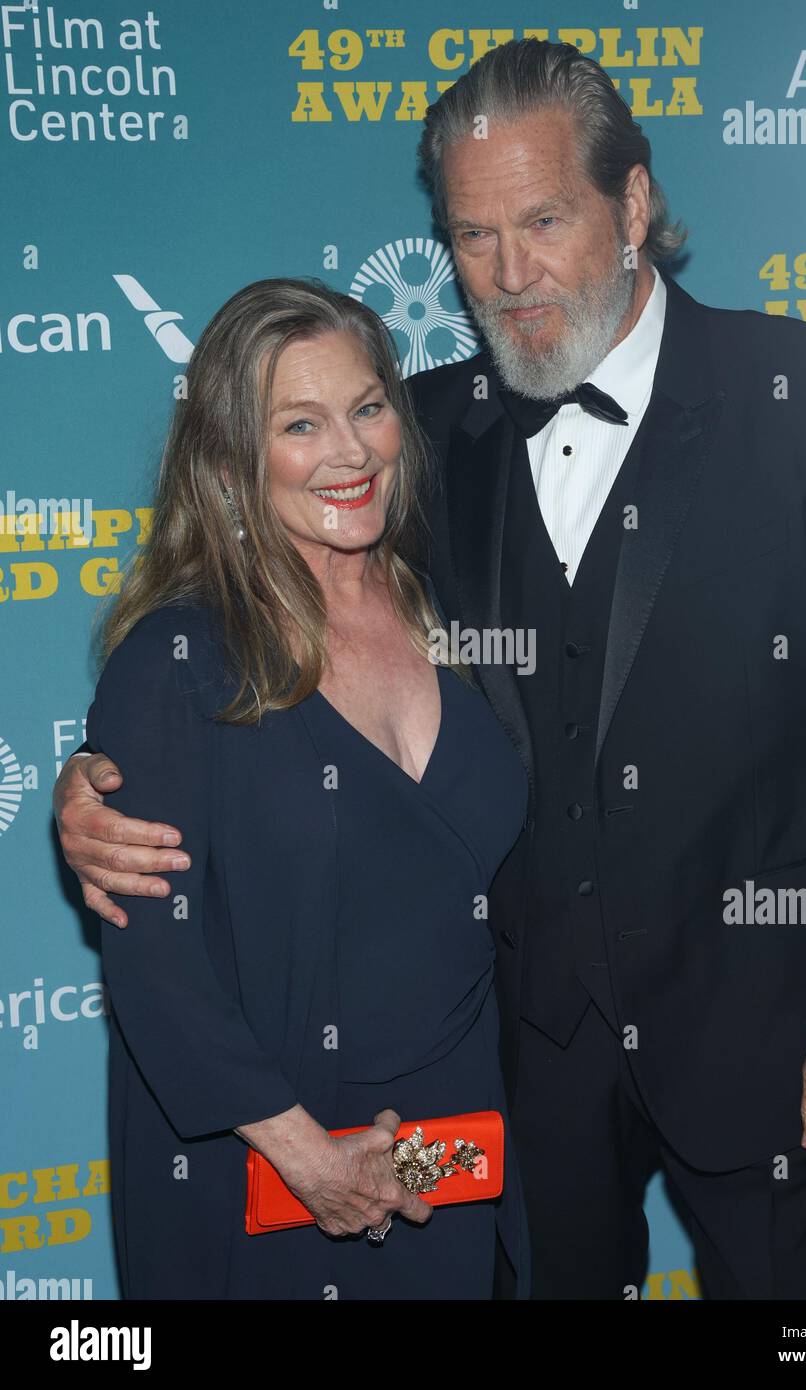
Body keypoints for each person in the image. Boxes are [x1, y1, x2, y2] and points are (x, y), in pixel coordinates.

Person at [55, 40, 806, 1300]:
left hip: (771, 1038)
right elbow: (241, 613)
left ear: (632, 204)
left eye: (543, 220)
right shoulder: (418, 426)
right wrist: (96, 782)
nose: (509, 273)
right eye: (473, 235)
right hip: (518, 1070)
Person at [71, 277, 530, 1299]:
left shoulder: (452, 605)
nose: (349, 452)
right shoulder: (179, 657)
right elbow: (157, 963)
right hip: (265, 1158)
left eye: (368, 408)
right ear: (232, 458)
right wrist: (304, 1154)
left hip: (447, 1149)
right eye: (299, 423)